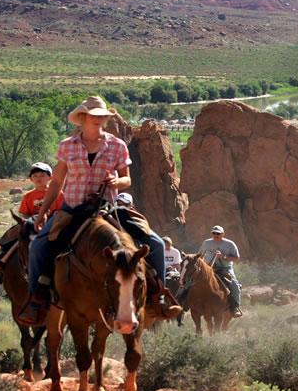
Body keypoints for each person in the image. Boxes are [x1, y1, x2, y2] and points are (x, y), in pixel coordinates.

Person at [18, 96, 180, 325]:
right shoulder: (67, 146)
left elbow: (127, 179)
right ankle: (36, 300)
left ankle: (158, 297)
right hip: (73, 208)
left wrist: (116, 180)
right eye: (94, 116)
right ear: (82, 118)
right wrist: (44, 211)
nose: (98, 120)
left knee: (155, 243)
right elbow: (56, 182)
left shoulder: (117, 145)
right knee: (39, 246)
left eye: (102, 116)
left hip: (107, 208)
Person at [0, 162, 63, 282]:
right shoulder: (28, 196)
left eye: (42, 175)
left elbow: (60, 211)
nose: (39, 178)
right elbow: (24, 213)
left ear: (50, 177)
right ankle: (1, 263)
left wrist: (47, 218)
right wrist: (31, 221)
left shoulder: (57, 194)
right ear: (31, 179)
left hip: (52, 222)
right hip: (32, 223)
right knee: (13, 238)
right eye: (35, 176)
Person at [113, 192, 182, 317]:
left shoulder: (134, 217)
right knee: (159, 244)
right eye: (119, 204)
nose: (120, 206)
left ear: (131, 205)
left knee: (159, 244)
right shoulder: (112, 213)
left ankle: (160, 296)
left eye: (124, 204)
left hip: (135, 239)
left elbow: (141, 230)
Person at [198, 225, 242, 317]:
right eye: (214, 233)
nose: (216, 235)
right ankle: (185, 303)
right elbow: (200, 255)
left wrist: (223, 257)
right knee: (191, 281)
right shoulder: (206, 243)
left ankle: (234, 308)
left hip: (225, 269)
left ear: (223, 234)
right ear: (211, 233)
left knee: (234, 285)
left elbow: (237, 258)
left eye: (218, 233)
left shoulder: (230, 244)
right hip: (209, 269)